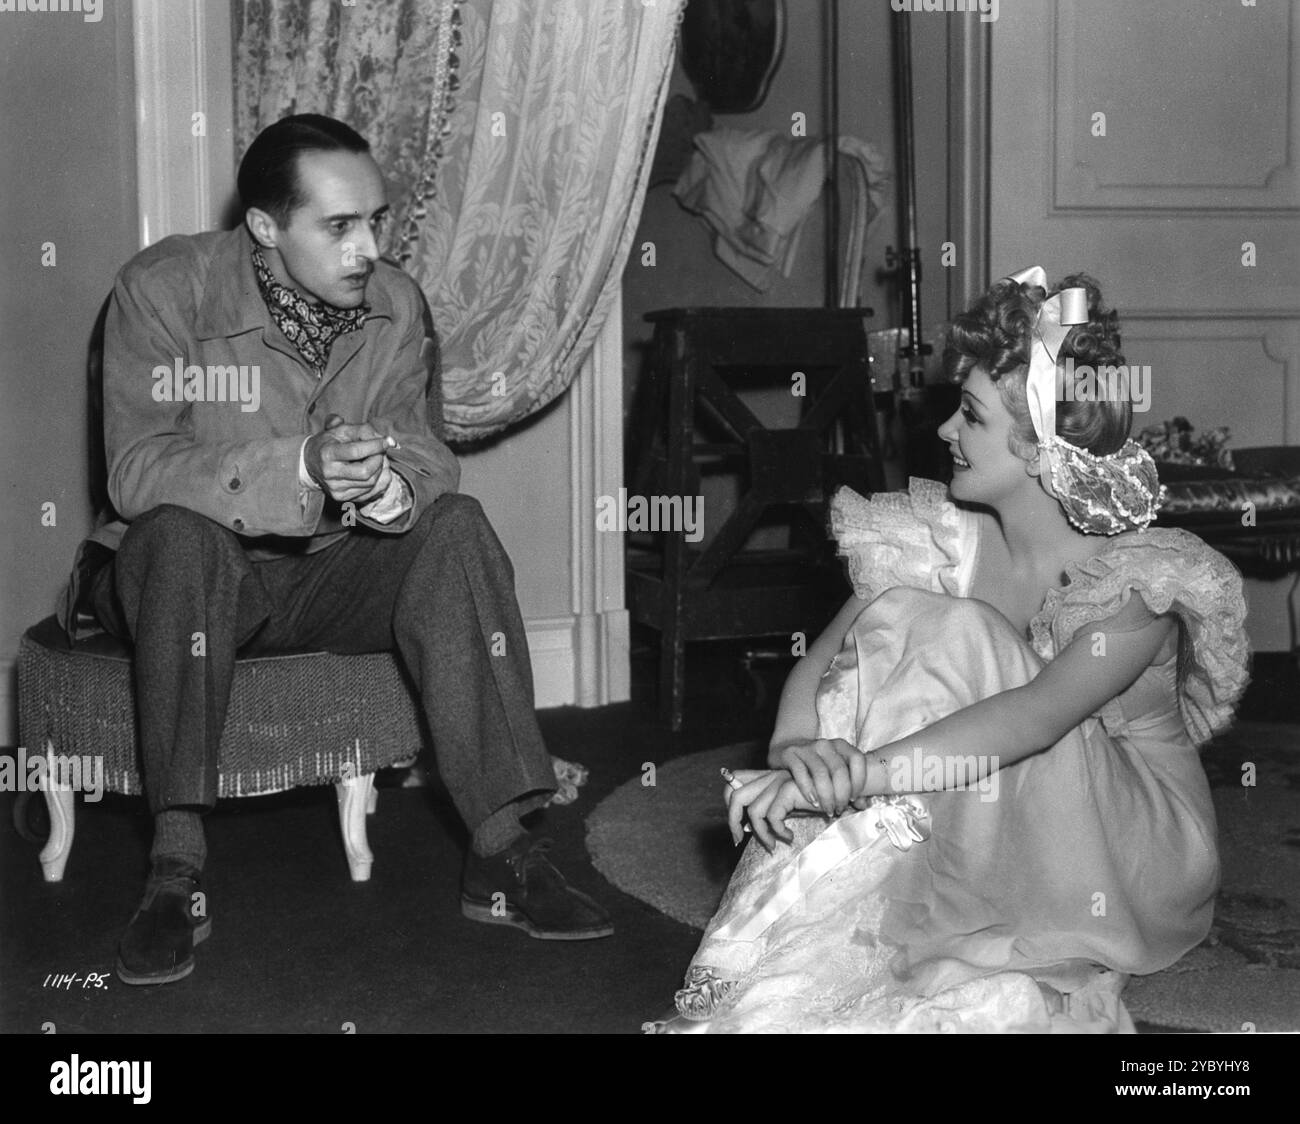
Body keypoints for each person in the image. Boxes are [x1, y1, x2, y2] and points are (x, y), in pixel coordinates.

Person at [60, 114, 614, 987]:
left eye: (376, 221)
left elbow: (429, 452)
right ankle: (175, 869)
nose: (368, 249)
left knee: (456, 526)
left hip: (328, 572)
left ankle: (503, 847)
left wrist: (391, 489)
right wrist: (302, 466)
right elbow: (135, 470)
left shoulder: (393, 305)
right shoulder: (164, 289)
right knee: (177, 536)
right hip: (193, 577)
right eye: (340, 226)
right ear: (265, 228)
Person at [645, 267, 1249, 1033]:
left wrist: (859, 774)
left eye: (970, 416)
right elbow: (824, 660)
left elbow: (1031, 719)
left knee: (961, 636)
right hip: (995, 797)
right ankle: (847, 899)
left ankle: (877, 879)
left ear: (1041, 450)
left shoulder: (1135, 581)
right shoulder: (940, 539)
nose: (942, 432)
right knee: (906, 617)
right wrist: (805, 753)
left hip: (1134, 853)